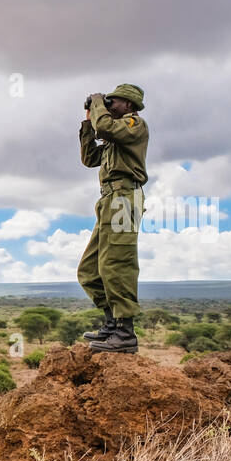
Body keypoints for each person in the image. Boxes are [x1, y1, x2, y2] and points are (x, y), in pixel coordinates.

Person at [77, 83, 148, 353]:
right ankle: (112, 323)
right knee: (89, 270)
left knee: (117, 264)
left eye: (112, 102)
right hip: (108, 201)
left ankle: (125, 333)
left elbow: (105, 127)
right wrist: (87, 123)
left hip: (124, 200)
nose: (108, 106)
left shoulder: (134, 125)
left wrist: (96, 102)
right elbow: (89, 158)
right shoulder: (114, 138)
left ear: (128, 105)